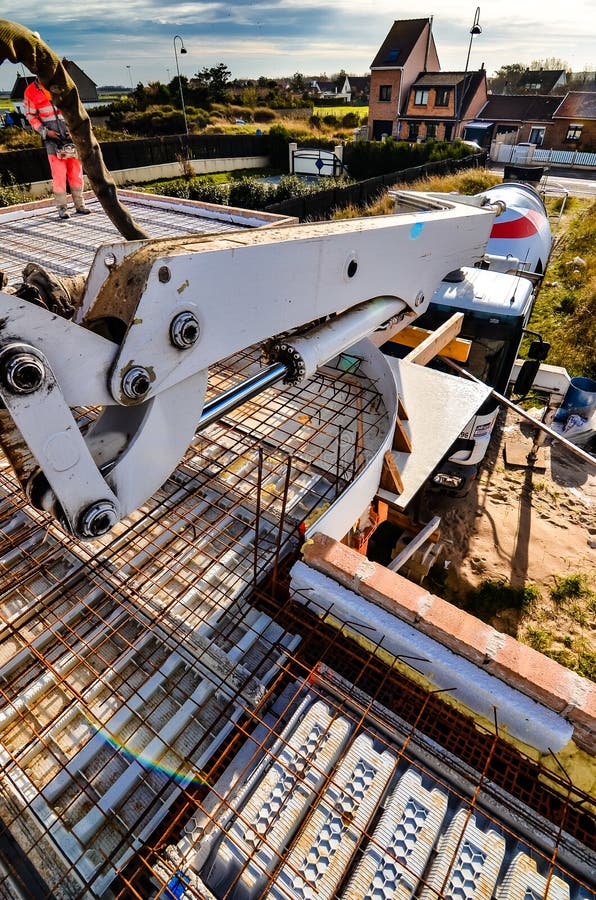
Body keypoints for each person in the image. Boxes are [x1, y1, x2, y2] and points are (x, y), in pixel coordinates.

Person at [24, 78, 90, 219]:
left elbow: (74, 106)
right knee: (59, 175)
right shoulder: (31, 91)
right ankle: (62, 208)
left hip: (71, 137)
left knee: (76, 172)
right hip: (52, 140)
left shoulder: (61, 83)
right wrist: (45, 132)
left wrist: (73, 128)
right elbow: (31, 116)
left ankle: (80, 204)